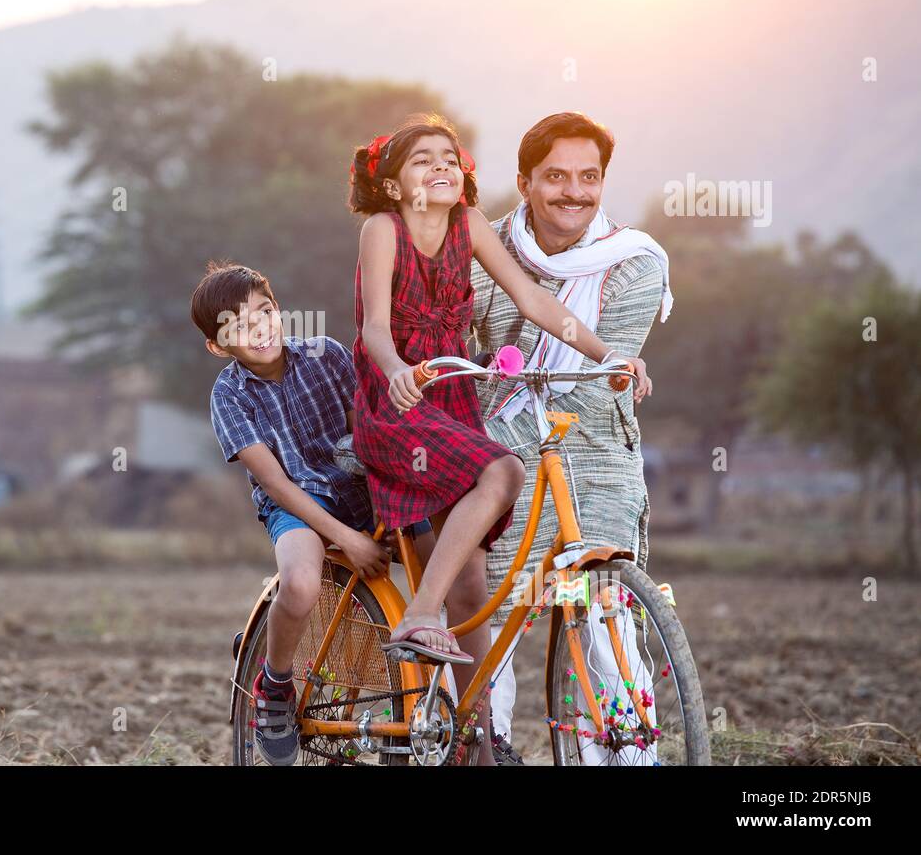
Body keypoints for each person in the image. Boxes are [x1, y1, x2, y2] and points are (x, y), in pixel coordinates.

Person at [348, 113, 650, 764]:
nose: (442, 168)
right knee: (506, 471)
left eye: (450, 158)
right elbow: (374, 327)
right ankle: (419, 615)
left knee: (473, 589)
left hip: (452, 403)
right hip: (395, 401)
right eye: (423, 160)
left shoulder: (468, 226)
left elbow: (538, 303)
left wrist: (607, 354)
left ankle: (477, 743)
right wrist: (399, 371)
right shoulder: (383, 230)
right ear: (395, 186)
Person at [468, 112, 672, 765]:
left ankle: (626, 754)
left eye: (589, 178)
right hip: (501, 451)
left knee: (602, 611)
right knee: (491, 612)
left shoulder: (636, 264)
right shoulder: (479, 250)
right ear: (525, 181)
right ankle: (483, 745)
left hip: (594, 452)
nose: (573, 193)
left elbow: (594, 379)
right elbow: (457, 345)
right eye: (555, 177)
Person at [191, 260, 432, 765]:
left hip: (358, 485)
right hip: (299, 499)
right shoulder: (228, 395)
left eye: (263, 312)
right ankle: (275, 686)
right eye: (236, 325)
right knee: (299, 583)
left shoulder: (327, 355)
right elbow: (275, 482)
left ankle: (450, 701)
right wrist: (348, 537)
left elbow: (364, 437)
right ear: (218, 346)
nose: (257, 328)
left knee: (440, 563)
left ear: (279, 311)